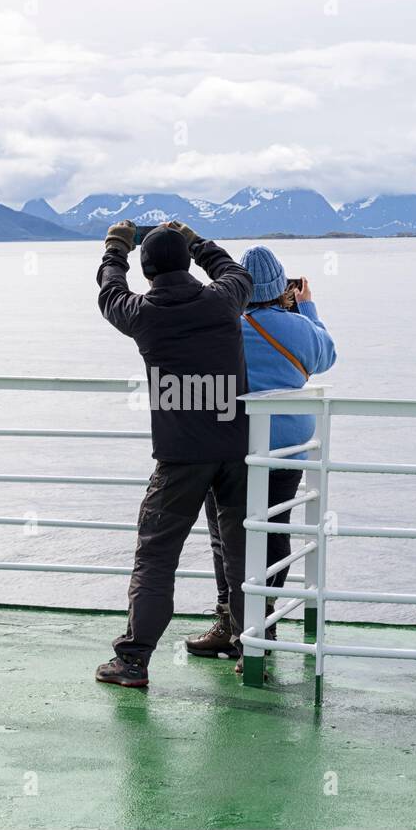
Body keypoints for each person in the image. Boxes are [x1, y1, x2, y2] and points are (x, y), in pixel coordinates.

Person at [93, 219, 254, 688]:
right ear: (187, 262)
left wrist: (115, 246)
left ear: (147, 273)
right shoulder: (224, 300)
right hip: (236, 450)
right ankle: (251, 648)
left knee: (156, 558)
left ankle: (134, 662)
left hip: (180, 458)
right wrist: (198, 240)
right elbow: (235, 271)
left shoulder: (143, 314)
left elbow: (108, 291)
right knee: (243, 553)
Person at [186, 245, 337, 660]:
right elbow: (328, 355)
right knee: (275, 530)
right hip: (288, 449)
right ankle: (263, 619)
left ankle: (229, 621)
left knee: (223, 534)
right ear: (282, 287)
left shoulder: (225, 324)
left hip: (232, 445)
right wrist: (308, 308)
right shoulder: (299, 328)